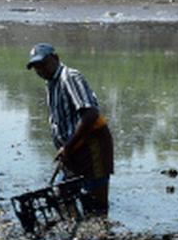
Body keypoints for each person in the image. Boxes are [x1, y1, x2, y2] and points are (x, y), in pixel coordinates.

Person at [27, 43, 114, 215]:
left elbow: (90, 114)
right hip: (73, 147)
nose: (41, 70)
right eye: (36, 67)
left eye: (43, 64)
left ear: (56, 58)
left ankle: (101, 229)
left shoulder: (70, 77)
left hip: (92, 145)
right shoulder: (52, 83)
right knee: (64, 193)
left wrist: (67, 146)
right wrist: (66, 148)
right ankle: (77, 228)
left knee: (97, 202)